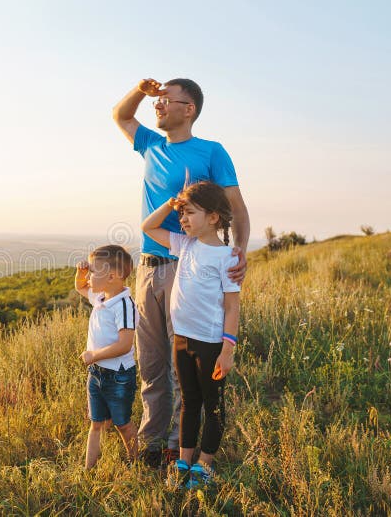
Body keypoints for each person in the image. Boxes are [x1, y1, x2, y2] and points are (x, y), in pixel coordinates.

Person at [112, 77, 249, 467]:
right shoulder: (150, 145)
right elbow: (121, 116)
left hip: (186, 266)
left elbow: (237, 208)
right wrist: (141, 90)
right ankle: (151, 443)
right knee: (151, 363)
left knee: (179, 365)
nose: (158, 105)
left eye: (166, 100)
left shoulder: (211, 152)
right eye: (156, 101)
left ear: (189, 109)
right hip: (148, 267)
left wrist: (239, 252)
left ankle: (177, 445)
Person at [142, 181, 241, 488]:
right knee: (188, 401)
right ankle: (184, 461)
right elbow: (148, 227)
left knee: (213, 406)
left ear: (213, 217)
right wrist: (170, 205)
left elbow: (232, 307)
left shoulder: (227, 257)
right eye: (181, 214)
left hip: (210, 343)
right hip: (182, 339)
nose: (183, 219)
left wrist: (227, 351)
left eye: (190, 213)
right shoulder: (184, 245)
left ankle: (205, 466)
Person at [75, 245, 139, 469]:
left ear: (112, 276)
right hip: (96, 373)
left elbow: (125, 344)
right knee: (96, 424)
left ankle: (135, 463)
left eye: (93, 272)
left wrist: (94, 355)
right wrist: (81, 272)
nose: (88, 277)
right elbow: (80, 286)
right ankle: (88, 471)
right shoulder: (101, 298)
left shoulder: (124, 305)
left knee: (123, 424)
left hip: (118, 376)